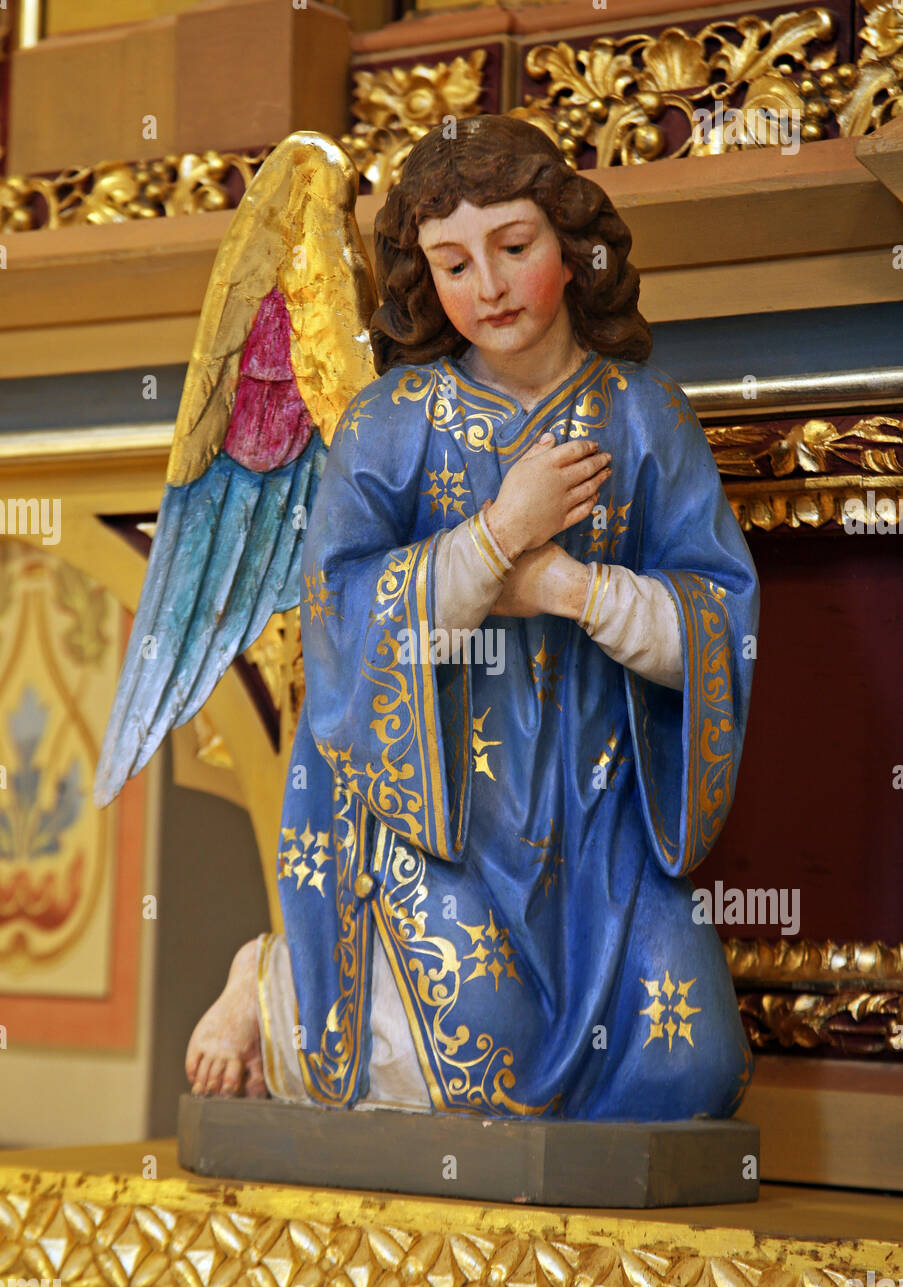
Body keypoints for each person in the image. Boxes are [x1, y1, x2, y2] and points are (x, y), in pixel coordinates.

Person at [187, 115, 758, 1120]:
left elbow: (722, 625)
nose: (487, 286)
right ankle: (274, 979)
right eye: (453, 263)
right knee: (486, 1072)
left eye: (514, 247)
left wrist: (565, 588)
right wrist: (497, 537)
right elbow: (339, 625)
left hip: (599, 810)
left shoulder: (644, 417)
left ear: (574, 251)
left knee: (687, 1071)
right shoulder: (391, 423)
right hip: (440, 813)